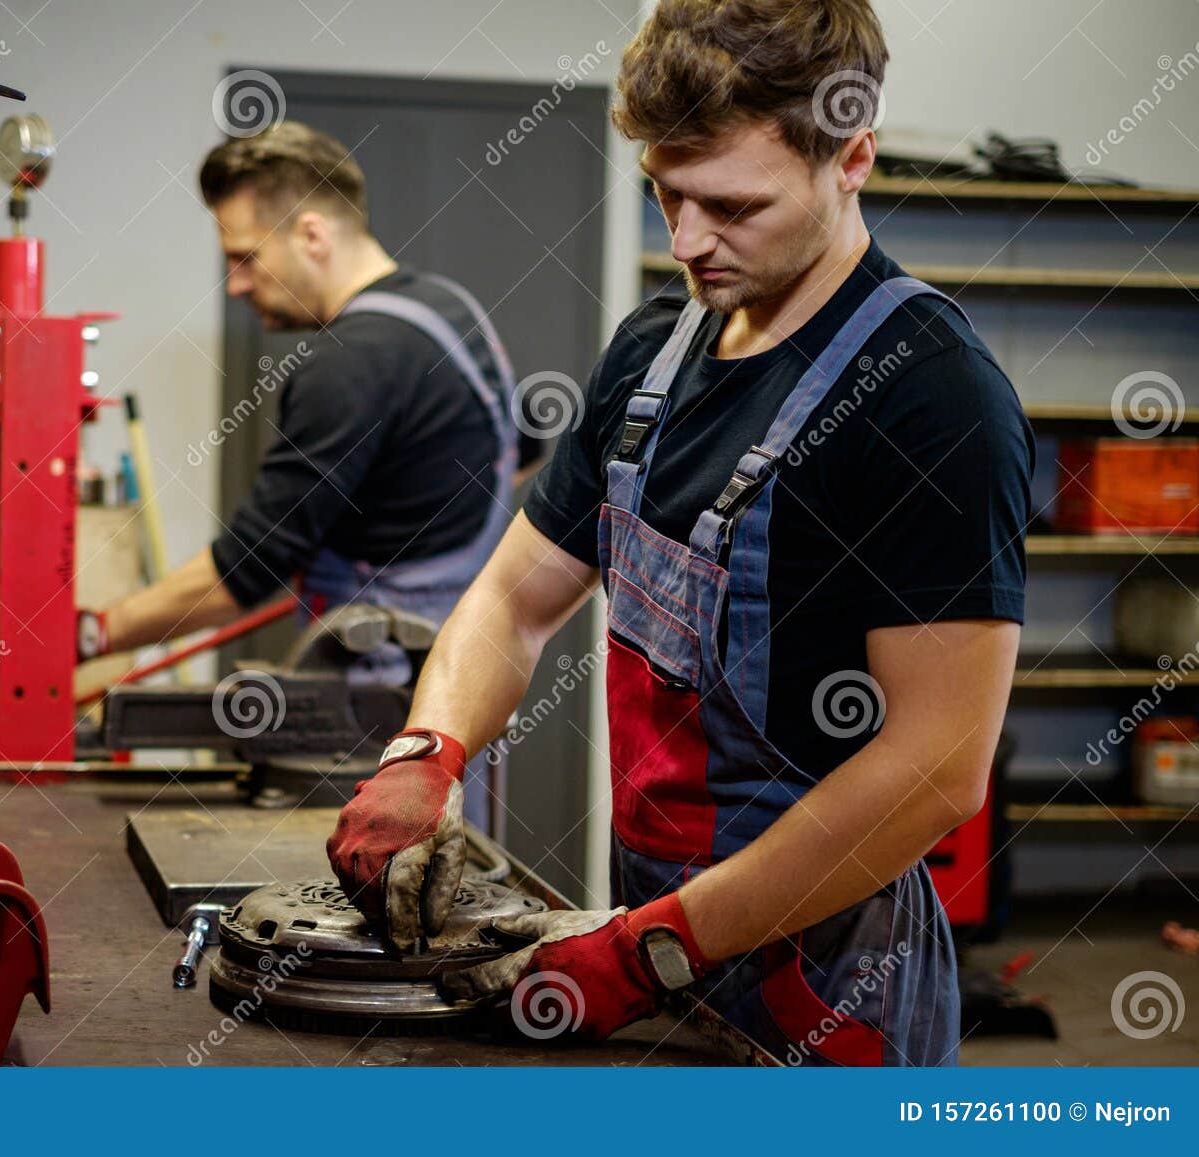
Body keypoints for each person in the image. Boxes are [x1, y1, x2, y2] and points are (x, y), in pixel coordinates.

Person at [326, 0, 1033, 1066]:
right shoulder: (653, 353)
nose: (688, 241)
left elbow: (938, 767)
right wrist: (425, 753)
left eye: (732, 205)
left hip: (825, 980)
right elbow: (516, 598)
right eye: (666, 193)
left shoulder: (931, 400)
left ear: (853, 157)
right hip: (648, 933)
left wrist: (653, 950)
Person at [81, 121, 536, 826]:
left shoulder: (347, 362)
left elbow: (247, 569)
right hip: (456, 691)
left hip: (378, 714)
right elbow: (520, 446)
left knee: (376, 894)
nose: (234, 284)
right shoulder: (447, 308)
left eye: (244, 258)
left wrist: (88, 636)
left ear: (313, 234)